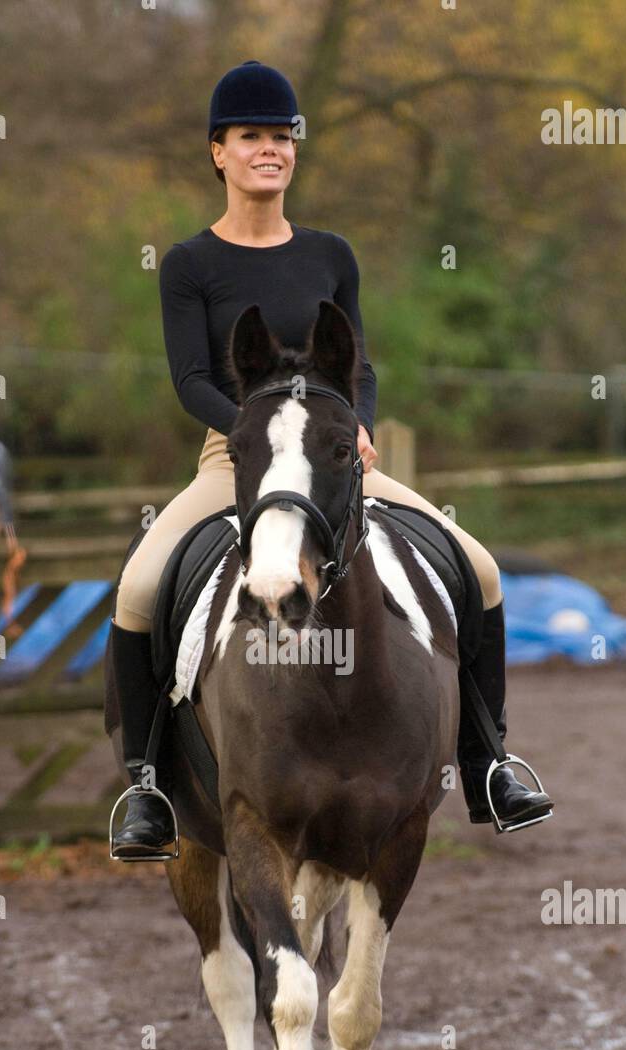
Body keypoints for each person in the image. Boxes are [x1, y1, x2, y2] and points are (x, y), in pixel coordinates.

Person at [110, 60, 552, 859]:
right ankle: (145, 788)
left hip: (334, 455)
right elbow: (191, 381)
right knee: (139, 586)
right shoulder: (189, 264)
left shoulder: (330, 252)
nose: (269, 150)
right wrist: (257, 436)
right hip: (235, 459)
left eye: (282, 137)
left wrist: (358, 428)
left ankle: (488, 763)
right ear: (219, 152)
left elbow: (360, 367)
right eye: (251, 137)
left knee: (480, 569)